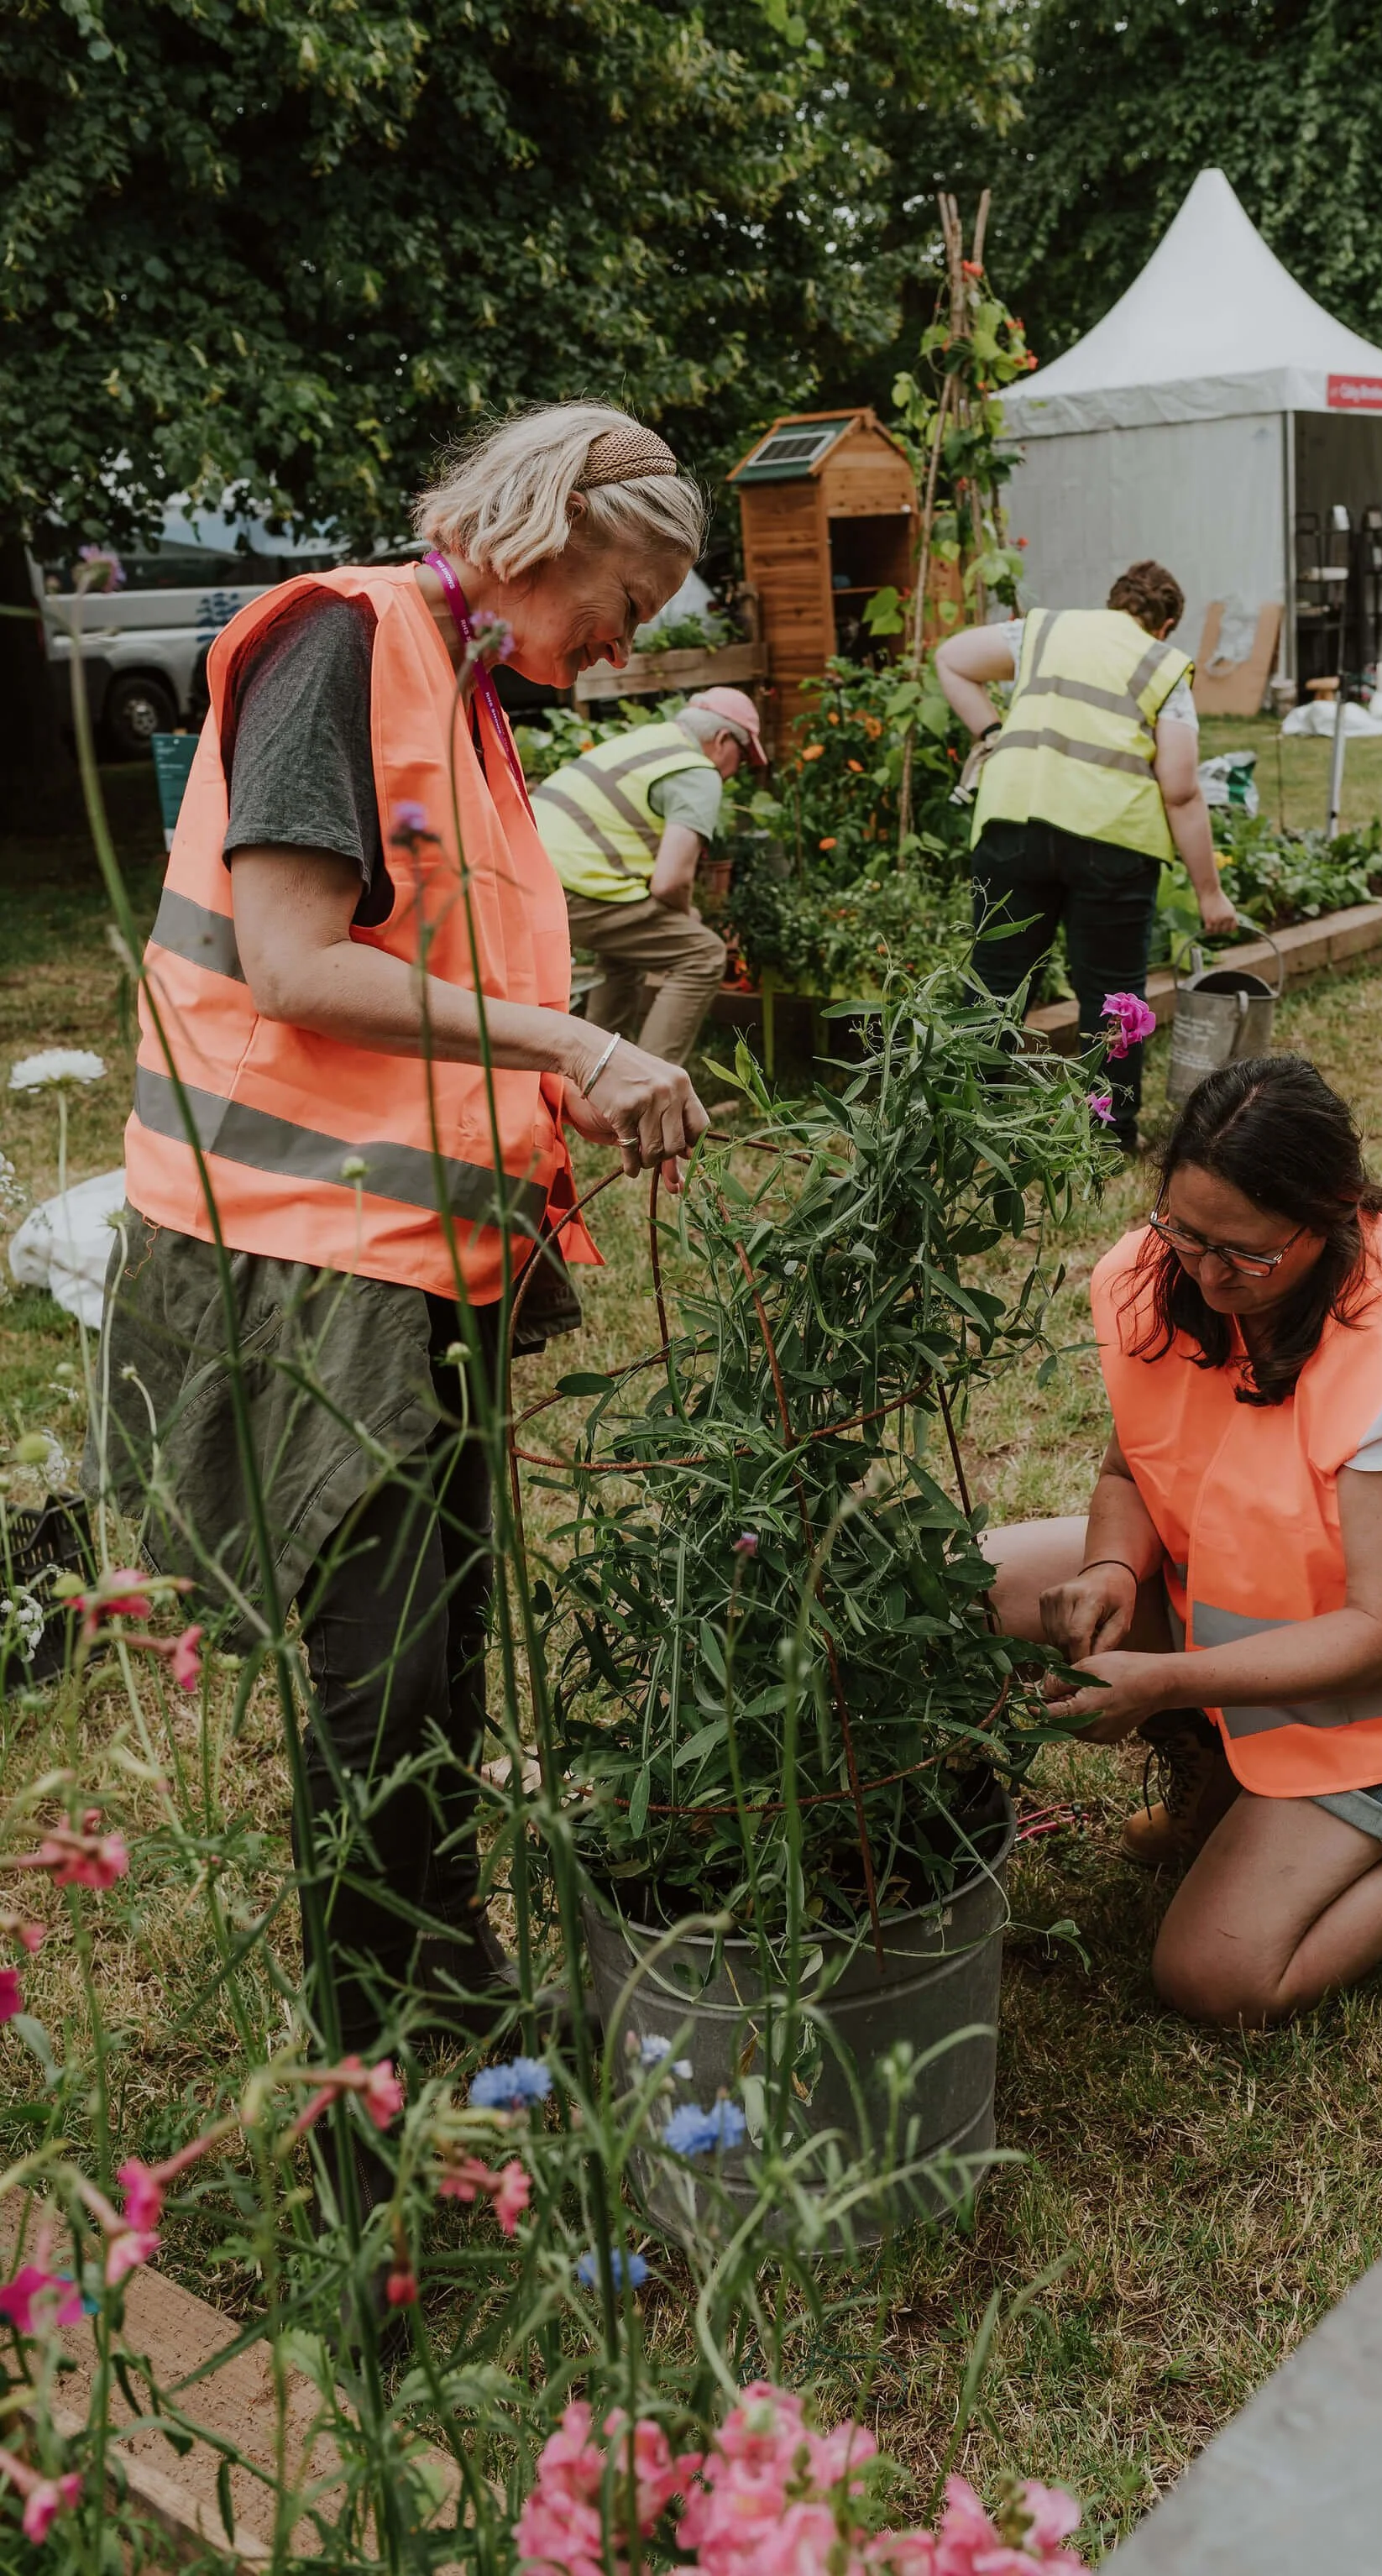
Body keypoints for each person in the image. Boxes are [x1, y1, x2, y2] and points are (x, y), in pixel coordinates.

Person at [86, 401, 709, 2066]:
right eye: (623, 607)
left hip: (426, 1256)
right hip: (304, 1255)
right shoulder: (345, 645)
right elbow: (292, 963)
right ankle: (373, 2059)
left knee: (441, 1669)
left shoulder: (464, 697)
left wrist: (550, 1096)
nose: (609, 654)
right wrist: (577, 1043)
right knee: (374, 1682)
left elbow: (433, 992)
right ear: (549, 534)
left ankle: (453, 1996)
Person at [984, 1056, 1382, 2028]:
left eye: (1241, 1254)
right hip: (1244, 1627)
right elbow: (1130, 1471)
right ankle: (1217, 1764)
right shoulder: (1154, 1271)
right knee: (973, 1576)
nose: (1204, 1273)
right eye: (1184, 1230)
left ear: (1328, 1215)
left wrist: (1160, 1680)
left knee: (1218, 1977)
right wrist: (1110, 1567)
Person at [935, 561, 1238, 1154]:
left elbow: (951, 658)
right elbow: (1179, 786)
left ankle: (971, 1123)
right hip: (1112, 838)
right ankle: (1107, 1131)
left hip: (1013, 824)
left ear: (1112, 602)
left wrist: (992, 733)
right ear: (1167, 623)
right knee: (1113, 992)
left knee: (995, 982)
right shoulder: (1162, 664)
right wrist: (1210, 892)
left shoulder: (1044, 631)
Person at [532, 687, 767, 1068]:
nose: (737, 770)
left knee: (625, 952)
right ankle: (649, 1090)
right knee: (703, 954)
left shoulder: (649, 741)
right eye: (743, 757)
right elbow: (670, 882)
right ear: (723, 740)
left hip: (529, 869)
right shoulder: (697, 771)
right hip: (571, 884)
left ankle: (593, 1085)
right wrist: (686, 912)